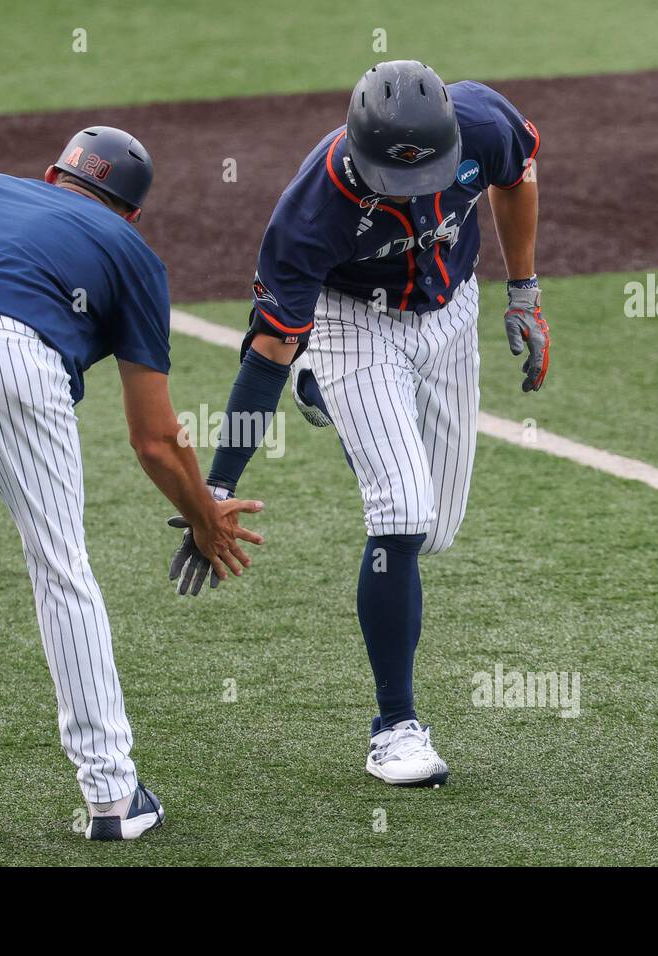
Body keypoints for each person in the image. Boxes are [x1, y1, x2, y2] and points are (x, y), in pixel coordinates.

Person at [0, 126, 264, 845]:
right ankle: (109, 796)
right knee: (60, 568)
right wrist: (205, 518)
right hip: (17, 356)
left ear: (49, 175)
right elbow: (155, 438)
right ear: (130, 211)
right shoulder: (131, 251)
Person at [168, 62, 547, 787]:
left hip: (451, 308)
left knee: (435, 529)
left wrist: (524, 290)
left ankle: (336, 406)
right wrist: (216, 486)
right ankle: (395, 728)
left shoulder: (485, 123)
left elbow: (518, 176)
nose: (413, 190)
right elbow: (269, 350)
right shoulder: (312, 210)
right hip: (352, 326)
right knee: (401, 513)